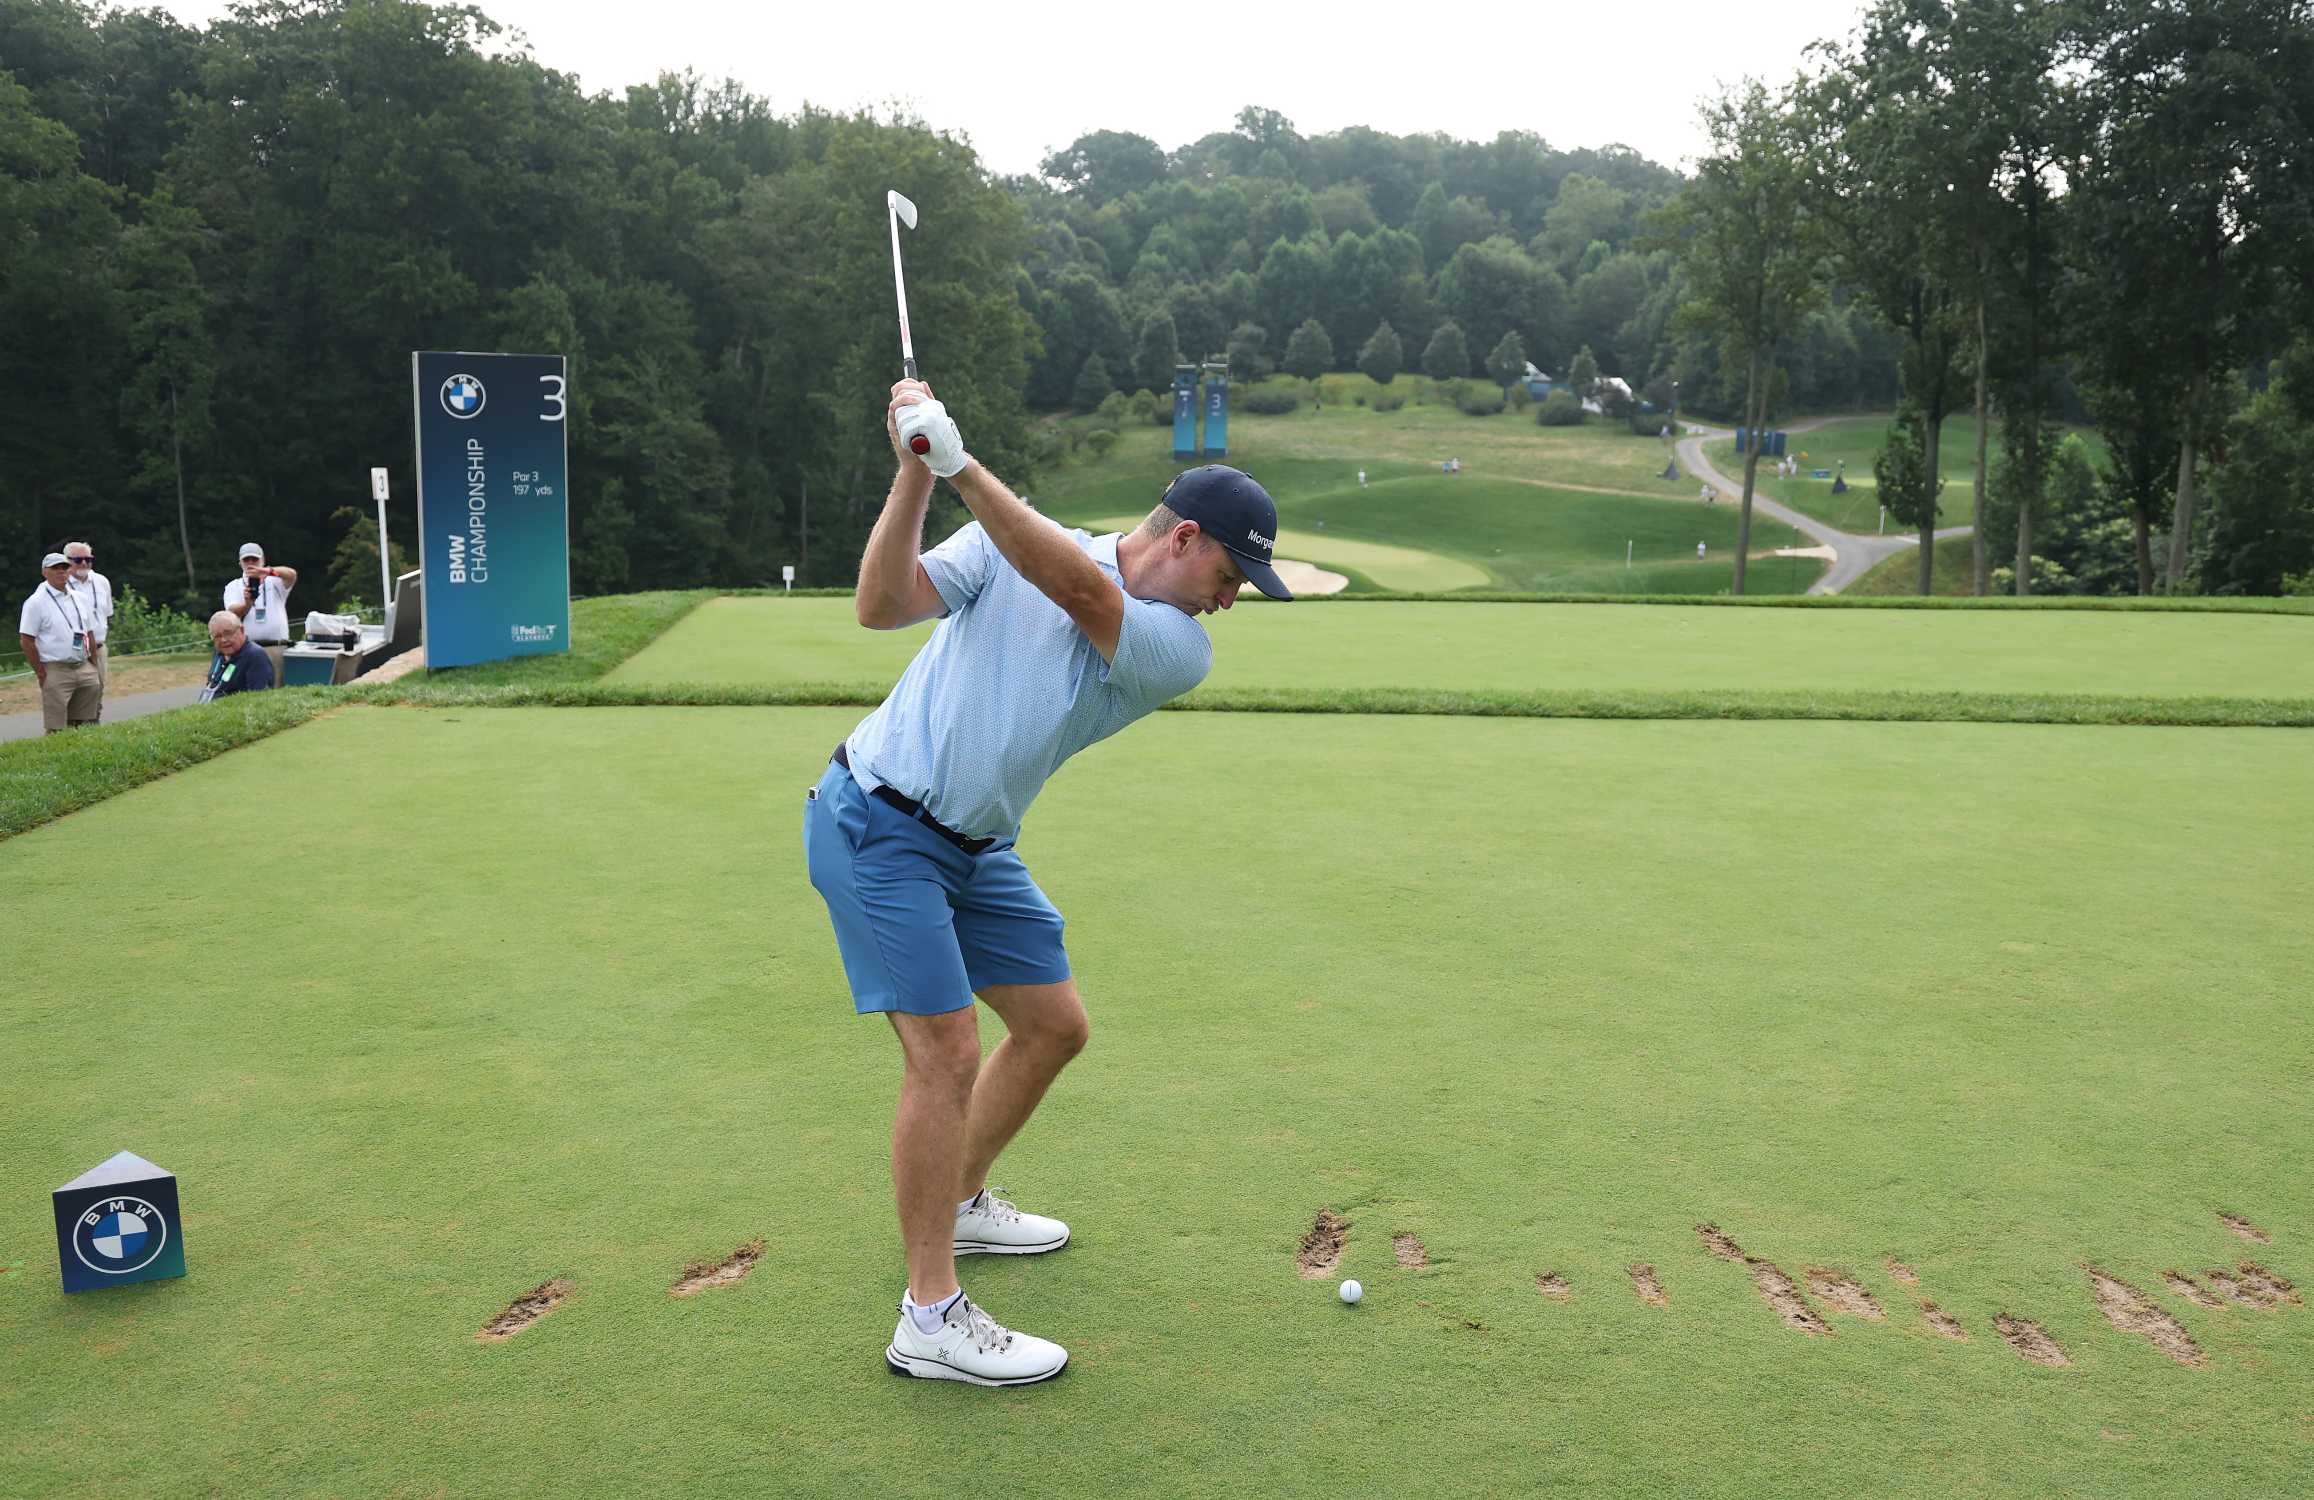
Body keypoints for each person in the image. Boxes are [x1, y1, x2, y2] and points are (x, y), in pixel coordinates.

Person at [806, 379, 1291, 1388]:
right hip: (876, 822)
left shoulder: (1174, 646)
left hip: (976, 847)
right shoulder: (1003, 544)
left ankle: (964, 1200)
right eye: (1232, 571)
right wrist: (914, 477)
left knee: (1054, 1025)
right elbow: (878, 605)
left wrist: (960, 466)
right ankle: (928, 1316)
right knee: (945, 1054)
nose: (1230, 596)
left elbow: (1076, 587)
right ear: (1185, 536)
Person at [19, 552, 102, 733]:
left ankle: (77, 754)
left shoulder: (80, 598)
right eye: (55, 568)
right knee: (56, 726)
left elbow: (89, 632)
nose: (61, 572)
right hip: (55, 668)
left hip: (83, 665)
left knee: (82, 721)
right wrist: (41, 673)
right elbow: (26, 640)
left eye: (64, 567)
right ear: (44, 572)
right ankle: (53, 755)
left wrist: (94, 663)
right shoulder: (36, 602)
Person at [224, 542, 297, 682]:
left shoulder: (275, 582)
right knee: (252, 690)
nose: (251, 563)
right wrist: (247, 604)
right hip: (248, 649)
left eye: (255, 559)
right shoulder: (233, 586)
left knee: (277, 691)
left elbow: (292, 575)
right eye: (246, 559)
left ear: (262, 560)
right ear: (240, 563)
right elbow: (232, 614)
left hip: (277, 647)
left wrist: (268, 571)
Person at [63, 541, 114, 719]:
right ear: (67, 561)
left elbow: (107, 613)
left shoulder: (102, 582)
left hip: (98, 647)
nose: (84, 563)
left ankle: (93, 724)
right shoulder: (61, 584)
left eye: (88, 559)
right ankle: (69, 728)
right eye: (78, 560)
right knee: (73, 692)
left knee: (97, 689)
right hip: (71, 649)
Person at [198, 610, 274, 700]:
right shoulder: (220, 652)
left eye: (228, 633)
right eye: (217, 636)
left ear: (241, 630)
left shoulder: (255, 656)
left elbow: (259, 699)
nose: (223, 640)